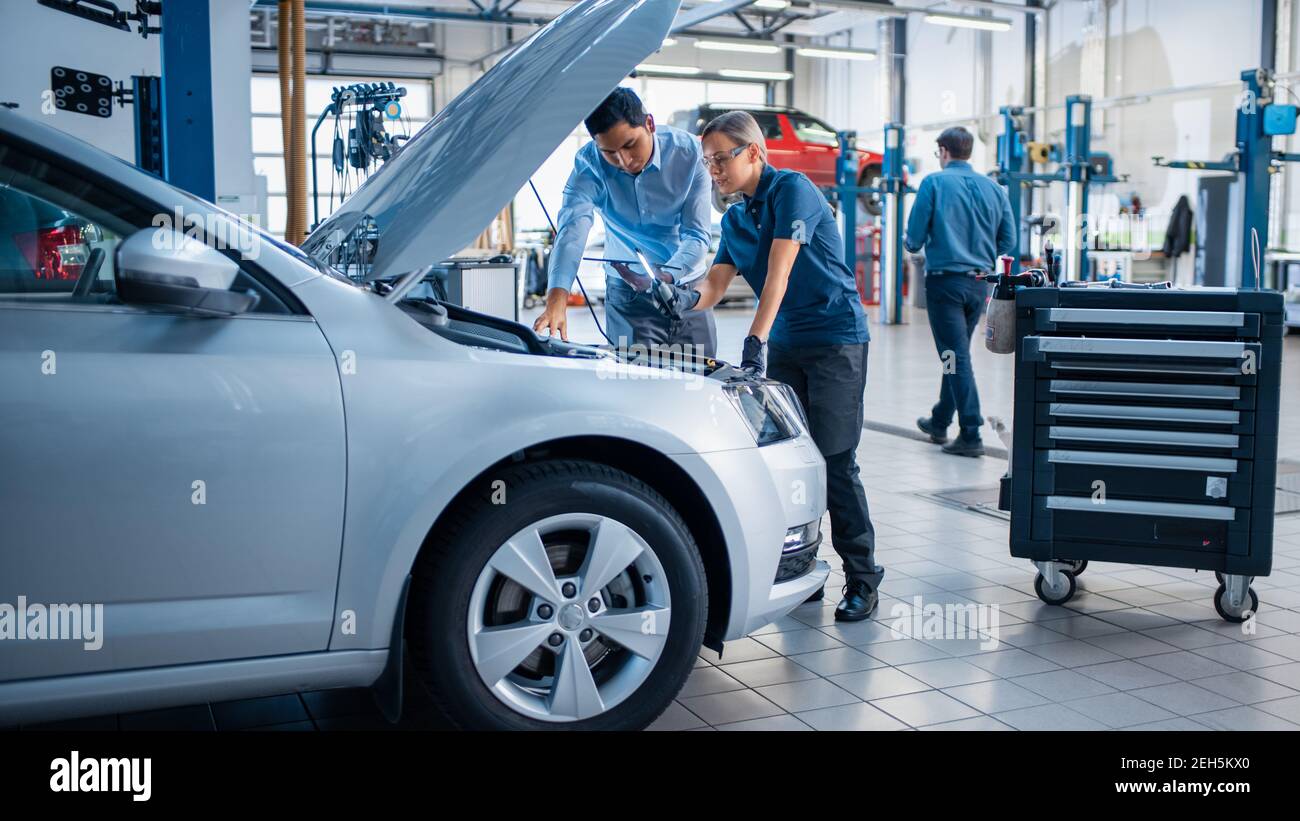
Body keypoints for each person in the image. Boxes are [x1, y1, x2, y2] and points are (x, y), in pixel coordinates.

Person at [670, 110, 884, 622]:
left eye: (723, 158)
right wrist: (674, 296)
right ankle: (803, 571)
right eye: (708, 162)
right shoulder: (737, 218)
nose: (715, 170)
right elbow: (716, 286)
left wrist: (755, 339)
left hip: (835, 341)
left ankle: (863, 579)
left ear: (754, 153)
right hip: (787, 342)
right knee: (789, 460)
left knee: (834, 461)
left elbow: (779, 275)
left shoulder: (794, 190)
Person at [532, 87, 717, 356]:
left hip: (689, 289)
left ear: (649, 124)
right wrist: (557, 296)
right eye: (610, 152)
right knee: (634, 383)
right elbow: (572, 230)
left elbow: (697, 235)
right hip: (628, 295)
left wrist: (666, 277)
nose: (624, 160)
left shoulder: (690, 154)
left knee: (699, 382)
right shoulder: (590, 166)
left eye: (630, 144)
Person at [904, 126, 1015, 458]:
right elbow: (1008, 243)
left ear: (942, 150)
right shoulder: (994, 189)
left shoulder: (934, 183)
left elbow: (913, 238)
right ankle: (940, 420)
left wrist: (916, 244)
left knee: (955, 357)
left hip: (945, 285)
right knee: (956, 355)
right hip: (978, 286)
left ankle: (970, 432)